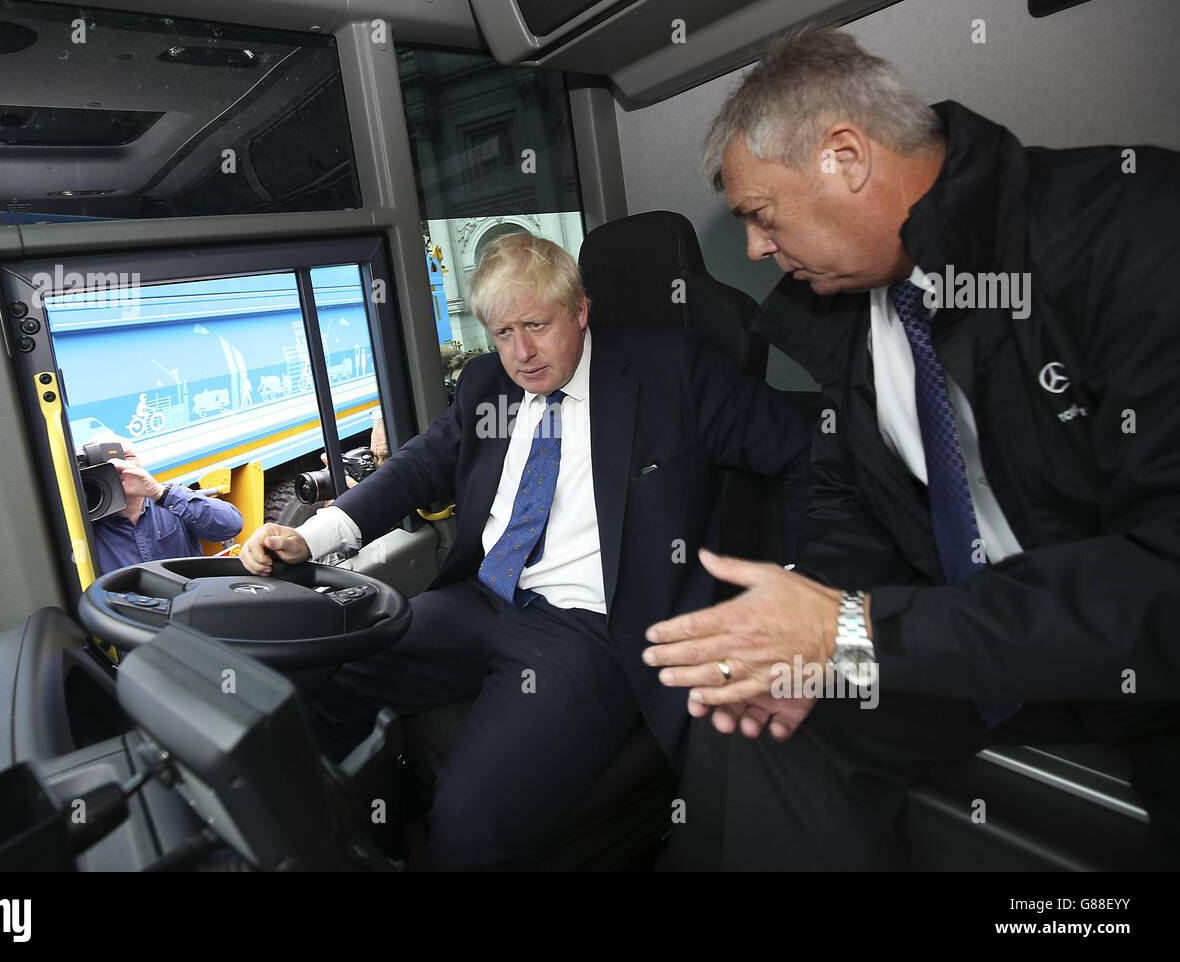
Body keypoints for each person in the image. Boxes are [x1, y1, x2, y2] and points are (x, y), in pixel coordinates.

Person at [643, 26, 1180, 867]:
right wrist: (806, 635)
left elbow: (1162, 577)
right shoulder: (853, 313)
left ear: (845, 158)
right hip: (974, 638)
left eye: (760, 215)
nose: (753, 249)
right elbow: (858, 506)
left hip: (1141, 666)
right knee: (753, 721)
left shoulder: (1135, 229)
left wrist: (853, 635)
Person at [239, 233, 814, 869]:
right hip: (479, 600)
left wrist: (788, 588)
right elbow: (415, 469)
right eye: (504, 332)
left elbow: (806, 456)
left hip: (591, 630)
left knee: (467, 825)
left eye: (538, 325)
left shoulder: (676, 372)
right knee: (315, 685)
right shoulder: (488, 384)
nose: (523, 354)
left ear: (581, 311)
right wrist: (310, 536)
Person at [89, 437, 244, 575]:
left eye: (127, 457)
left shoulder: (171, 500)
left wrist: (160, 493)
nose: (120, 466)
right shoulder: (86, 524)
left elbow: (231, 525)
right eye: (106, 463)